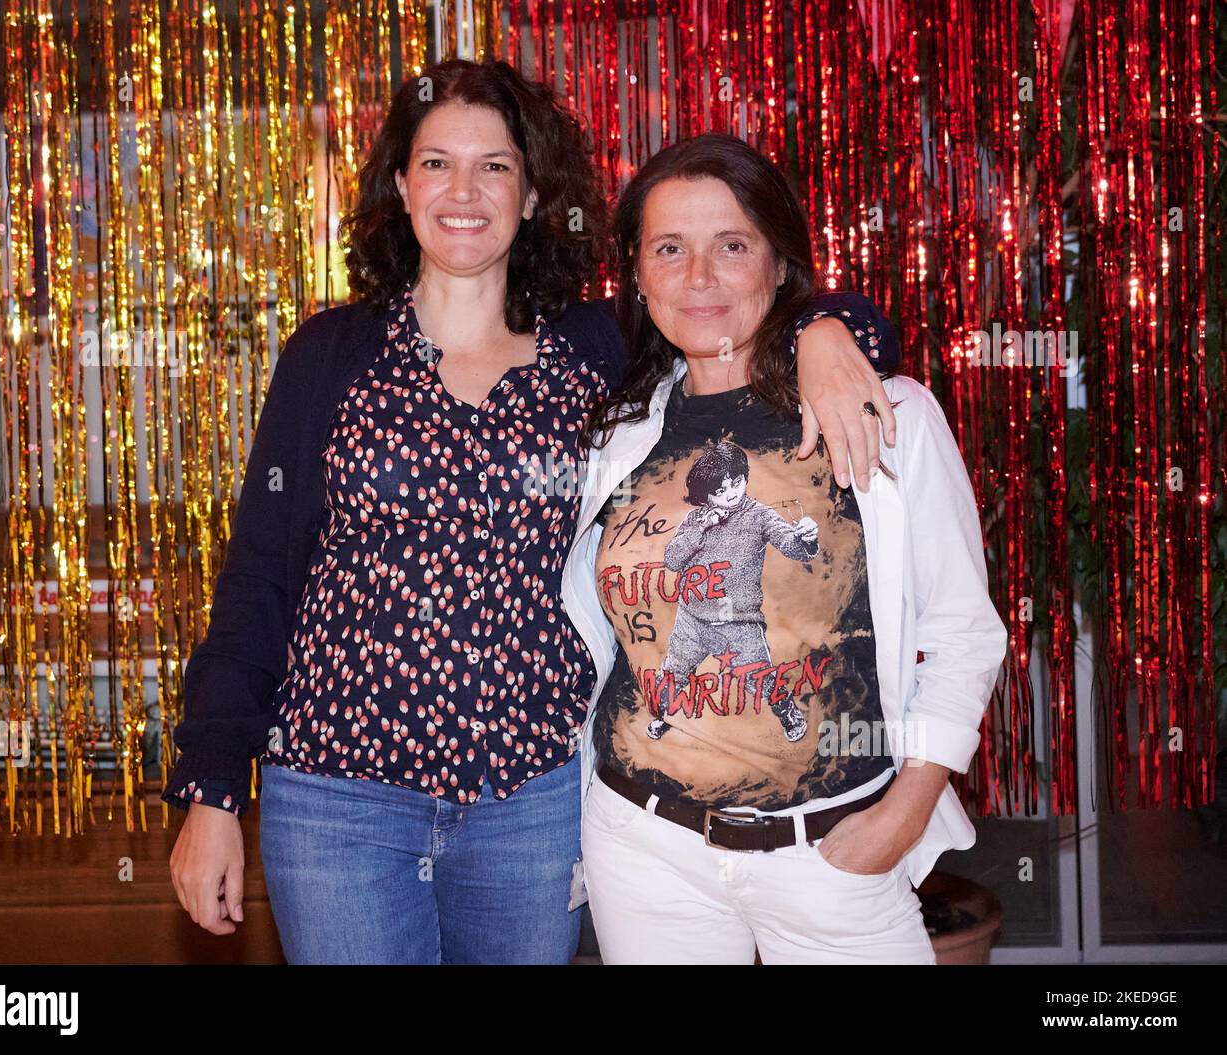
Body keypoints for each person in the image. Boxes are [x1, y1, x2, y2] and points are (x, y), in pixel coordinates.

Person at [165, 61, 897, 965]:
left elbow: (732, 308)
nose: (464, 191)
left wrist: (821, 330)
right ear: (402, 185)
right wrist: (212, 789)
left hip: (533, 804)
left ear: (534, 191)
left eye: (495, 167)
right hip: (337, 800)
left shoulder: (600, 351)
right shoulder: (330, 355)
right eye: (437, 163)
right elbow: (257, 583)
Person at [570, 133, 1009, 964]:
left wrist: (907, 810)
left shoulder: (889, 416)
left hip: (832, 855)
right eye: (670, 248)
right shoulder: (617, 434)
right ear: (637, 272)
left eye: (733, 246)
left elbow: (963, 634)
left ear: (779, 266)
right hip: (643, 848)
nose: (700, 276)